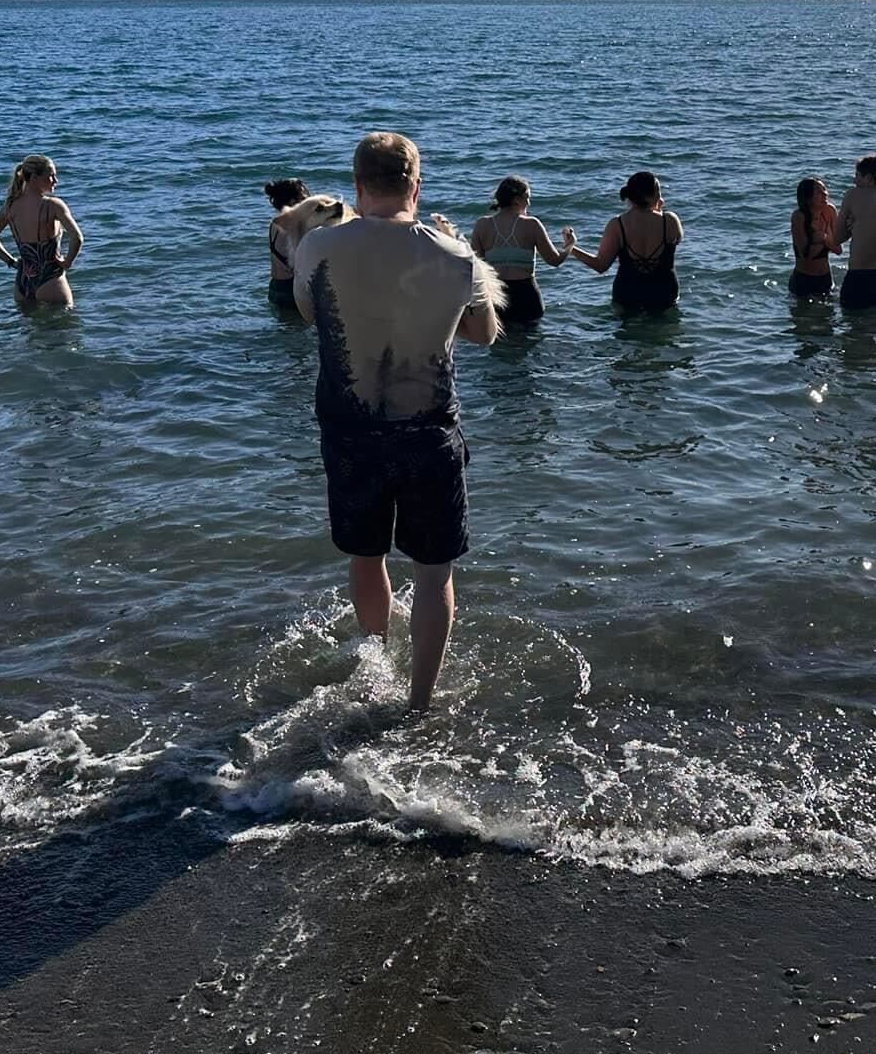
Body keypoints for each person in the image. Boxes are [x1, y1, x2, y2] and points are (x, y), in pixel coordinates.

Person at [290, 132, 503, 711]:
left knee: (367, 558)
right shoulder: (453, 255)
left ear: (359, 185)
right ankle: (419, 703)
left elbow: (310, 313)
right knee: (434, 575)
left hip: (350, 431)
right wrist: (465, 258)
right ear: (416, 186)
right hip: (428, 432)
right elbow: (485, 334)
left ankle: (375, 664)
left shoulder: (318, 247)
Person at [569, 170, 682, 312]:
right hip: (664, 292)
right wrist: (659, 211)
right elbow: (678, 239)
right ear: (655, 195)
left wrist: (571, 248)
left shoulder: (617, 225)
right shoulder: (669, 220)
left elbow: (600, 266)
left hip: (628, 292)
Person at [469, 175, 575, 325]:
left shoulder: (482, 225)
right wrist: (570, 245)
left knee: (498, 338)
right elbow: (554, 260)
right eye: (527, 197)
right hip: (527, 296)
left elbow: (475, 267)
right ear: (517, 200)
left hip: (496, 296)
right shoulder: (532, 224)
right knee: (530, 338)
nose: (529, 203)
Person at [0, 153, 83, 307]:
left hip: (23, 282)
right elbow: (77, 238)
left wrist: (11, 262)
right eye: (51, 176)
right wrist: (67, 262)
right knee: (65, 321)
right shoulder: (53, 205)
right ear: (35, 177)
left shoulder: (10, 206)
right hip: (50, 280)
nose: (56, 180)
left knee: (28, 323)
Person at [833, 153, 876, 309]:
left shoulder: (853, 194)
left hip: (860, 277)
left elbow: (836, 238)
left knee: (852, 323)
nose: (854, 180)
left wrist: (852, 228)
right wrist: (859, 225)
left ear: (869, 178)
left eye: (857, 175)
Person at [789, 176, 837, 299]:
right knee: (802, 311)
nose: (825, 194)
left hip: (825, 278)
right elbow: (806, 255)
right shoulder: (799, 217)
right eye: (819, 192)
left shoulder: (830, 211)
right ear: (808, 198)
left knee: (829, 311)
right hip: (803, 279)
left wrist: (823, 238)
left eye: (825, 189)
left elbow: (838, 249)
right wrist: (822, 239)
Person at [264, 177, 310, 308]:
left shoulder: (275, 223)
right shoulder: (297, 226)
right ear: (292, 202)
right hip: (291, 290)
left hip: (275, 287)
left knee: (283, 321)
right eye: (305, 198)